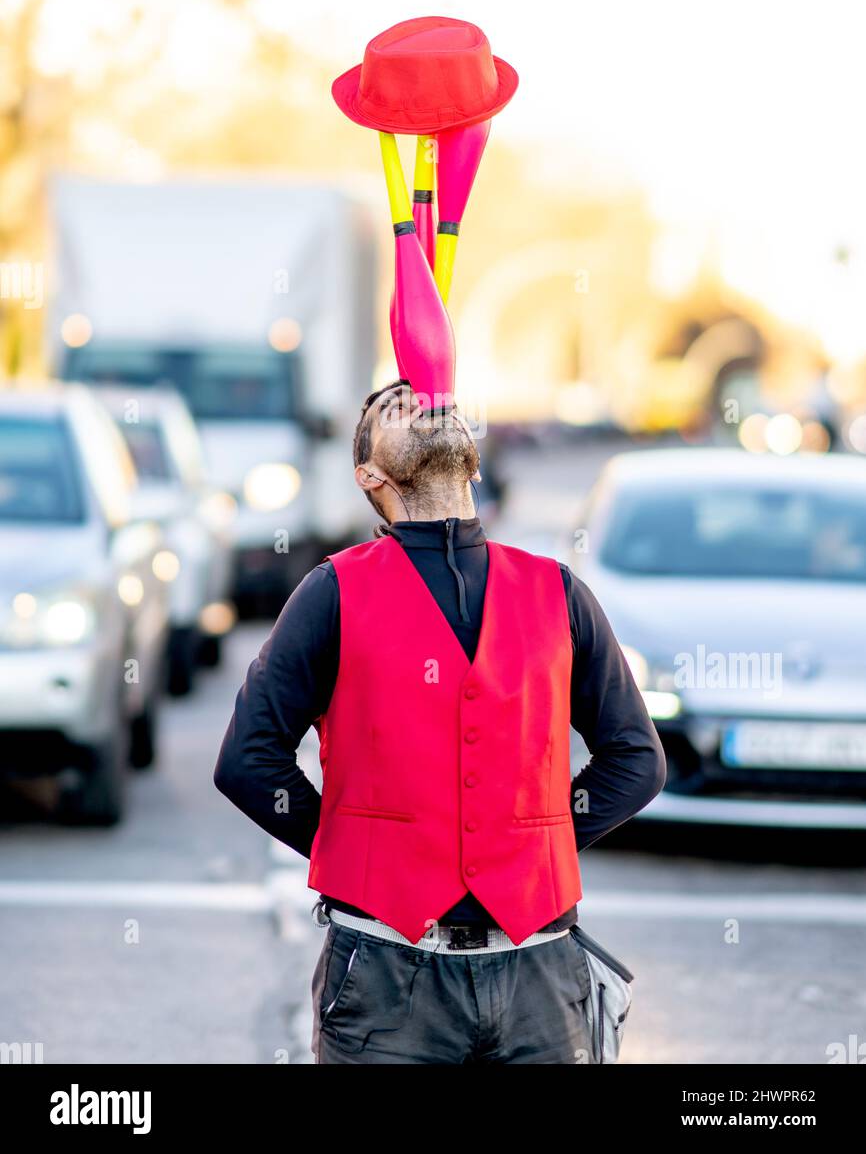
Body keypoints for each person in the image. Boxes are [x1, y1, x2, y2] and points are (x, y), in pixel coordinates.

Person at [213, 380, 667, 1064]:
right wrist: (361, 853)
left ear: (475, 461)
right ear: (369, 474)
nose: (421, 400)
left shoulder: (558, 592)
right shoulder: (332, 592)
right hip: (387, 977)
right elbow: (248, 760)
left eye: (433, 401)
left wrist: (534, 844)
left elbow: (637, 761)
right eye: (391, 408)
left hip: (541, 975)